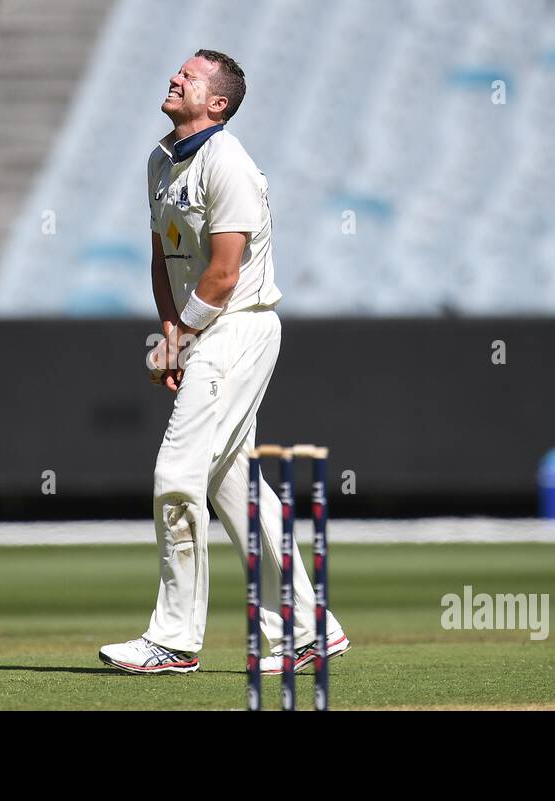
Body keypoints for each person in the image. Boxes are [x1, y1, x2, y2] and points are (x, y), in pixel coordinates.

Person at [98, 50, 349, 674]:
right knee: (233, 486)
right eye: (178, 70)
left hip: (238, 326)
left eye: (190, 76)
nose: (174, 76)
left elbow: (223, 272)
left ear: (217, 104)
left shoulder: (228, 160)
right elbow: (165, 257)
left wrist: (178, 338)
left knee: (177, 471)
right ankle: (311, 627)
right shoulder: (161, 160)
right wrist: (170, 329)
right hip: (203, 328)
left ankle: (175, 639)